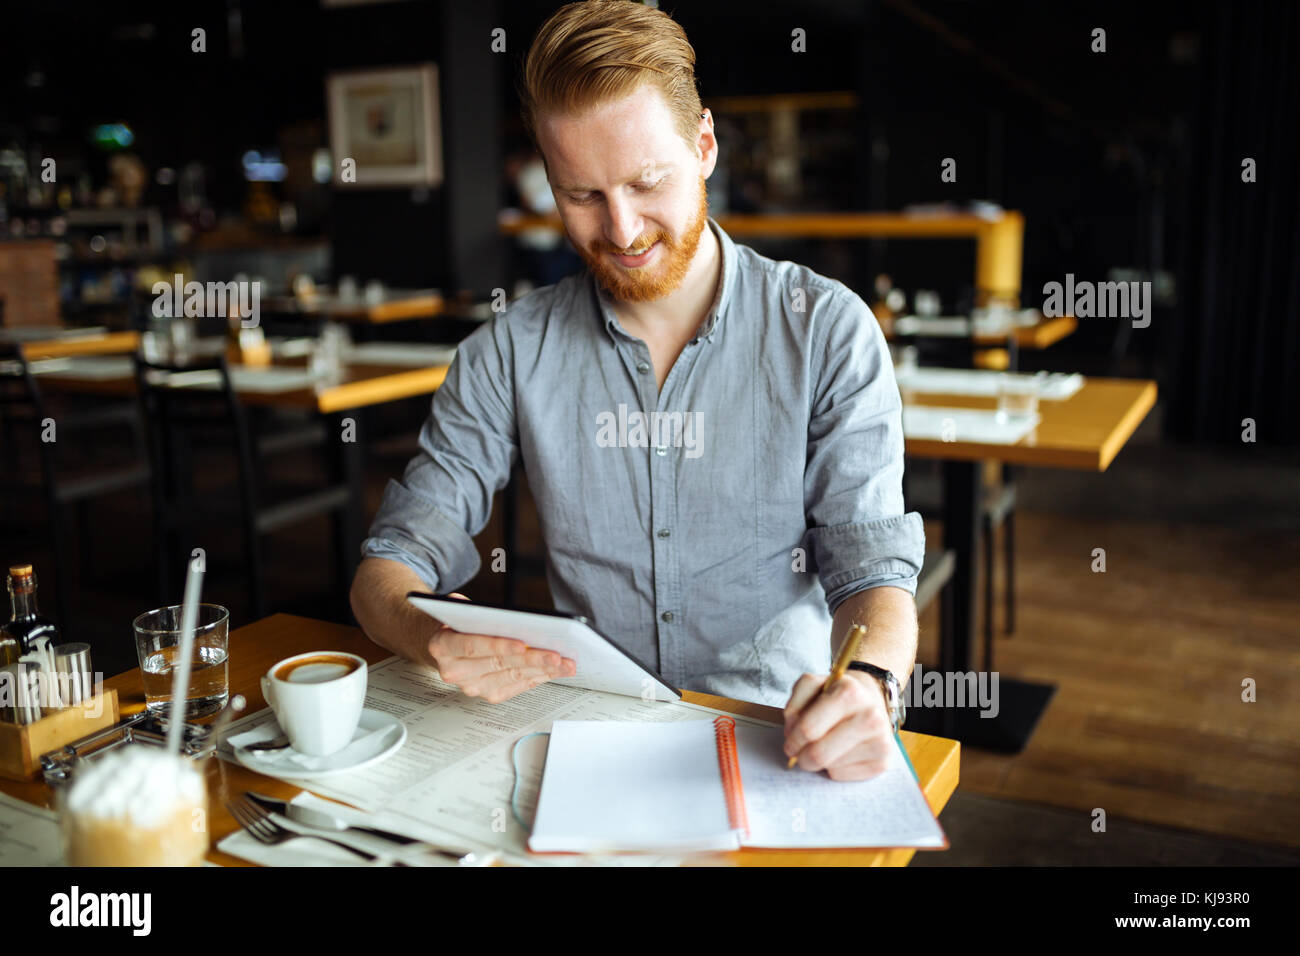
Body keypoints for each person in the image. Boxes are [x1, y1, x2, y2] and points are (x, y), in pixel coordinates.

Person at [351, 0, 924, 781]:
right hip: (586, 732)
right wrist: (430, 638)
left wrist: (869, 685)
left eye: (646, 181)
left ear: (706, 145)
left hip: (776, 737)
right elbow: (389, 567)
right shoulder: (507, 352)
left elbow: (873, 573)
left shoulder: (826, 330)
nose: (620, 230)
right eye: (580, 195)